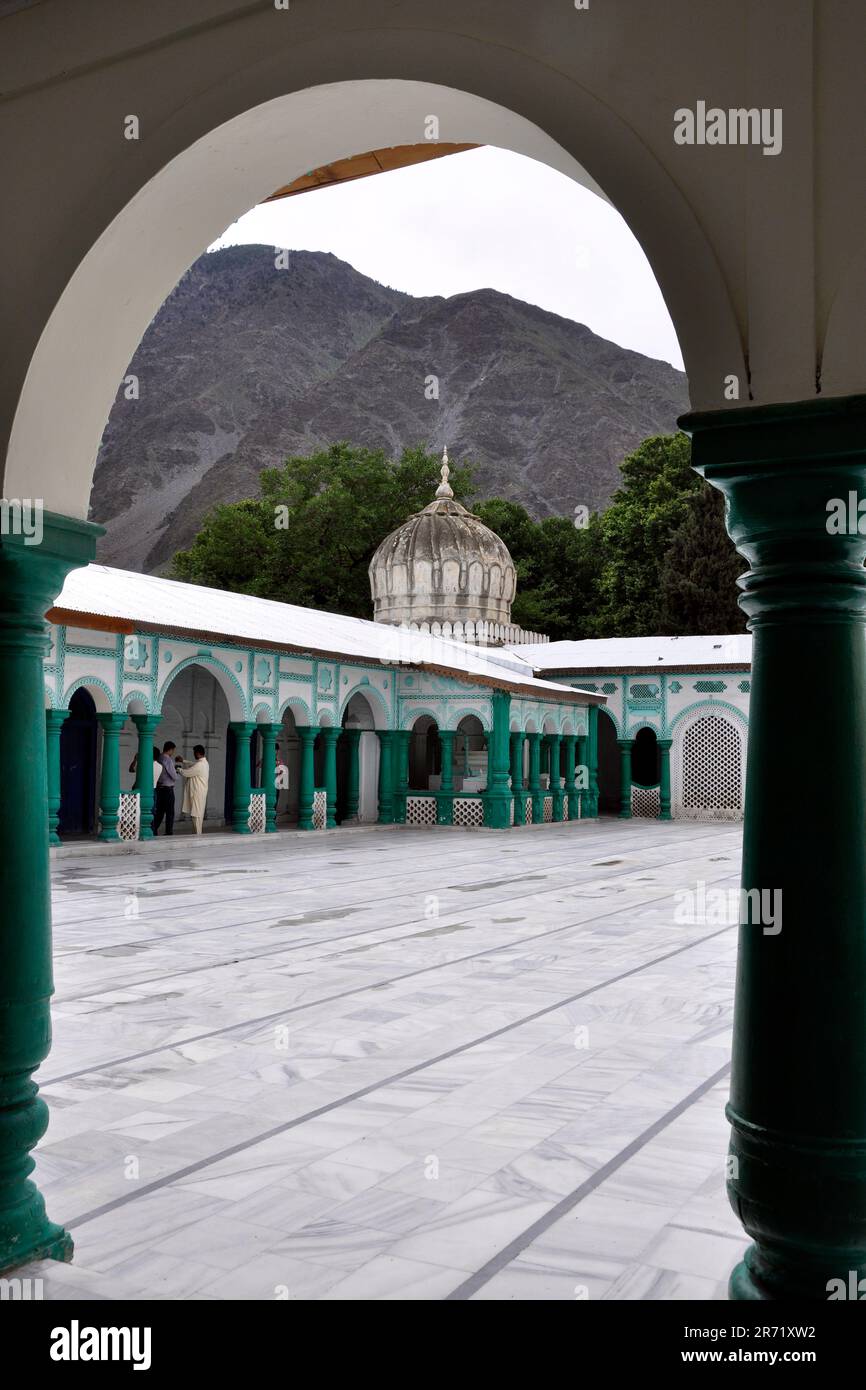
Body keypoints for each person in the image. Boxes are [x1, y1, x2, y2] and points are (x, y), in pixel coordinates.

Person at [180, 744, 209, 835]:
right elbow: (193, 764)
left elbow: (187, 773)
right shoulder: (204, 763)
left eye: (194, 753)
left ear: (198, 753)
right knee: (196, 815)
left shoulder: (200, 765)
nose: (193, 754)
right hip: (199, 793)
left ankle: (198, 835)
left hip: (197, 793)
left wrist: (178, 769)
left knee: (196, 815)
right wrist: (183, 761)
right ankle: (196, 834)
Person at [152, 740, 179, 835]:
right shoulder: (167, 759)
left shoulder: (158, 757)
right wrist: (177, 772)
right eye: (173, 750)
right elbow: (174, 776)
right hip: (168, 788)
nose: (173, 753)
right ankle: (168, 831)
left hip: (159, 787)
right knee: (170, 812)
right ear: (171, 749)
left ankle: (154, 829)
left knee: (159, 811)